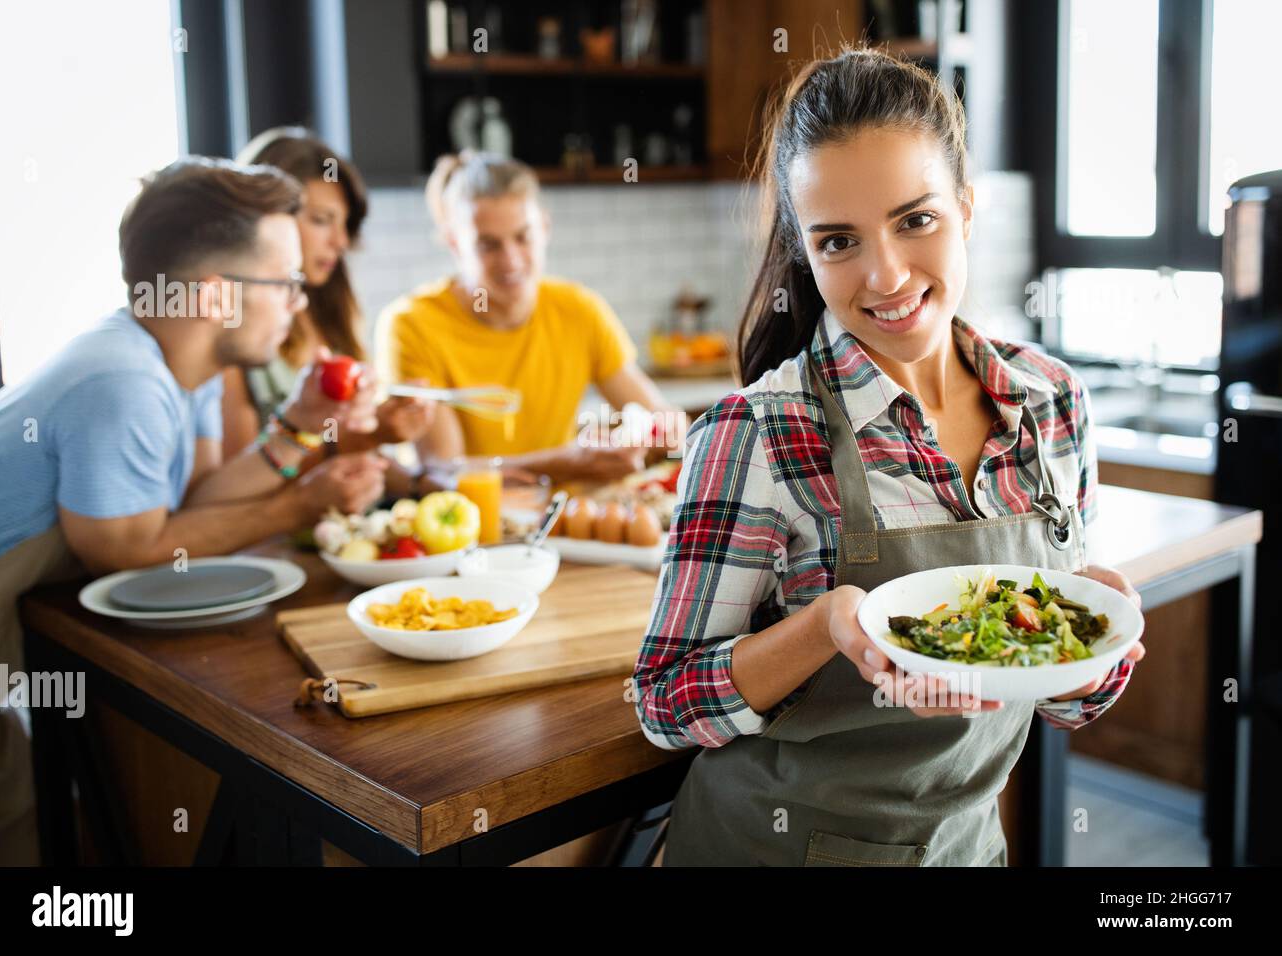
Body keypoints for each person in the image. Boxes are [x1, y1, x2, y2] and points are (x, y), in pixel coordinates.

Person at [633, 47, 1146, 867]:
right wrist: (827, 626)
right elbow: (662, 704)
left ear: (967, 210)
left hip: (962, 850)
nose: (886, 273)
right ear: (805, 251)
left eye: (917, 220)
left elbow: (1061, 692)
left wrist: (1093, 654)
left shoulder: (1051, 403)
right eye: (839, 241)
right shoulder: (756, 434)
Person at [0, 156, 388, 864]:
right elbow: (126, 546)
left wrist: (300, 424)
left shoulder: (182, 365)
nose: (300, 300)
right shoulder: (123, 380)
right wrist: (301, 499)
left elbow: (197, 501)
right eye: (285, 283)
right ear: (213, 297)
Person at [376, 151, 688, 483]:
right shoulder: (411, 325)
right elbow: (444, 471)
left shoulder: (578, 309)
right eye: (488, 245)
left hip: (563, 521)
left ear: (544, 228)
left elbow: (669, 425)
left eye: (523, 237)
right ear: (455, 244)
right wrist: (565, 463)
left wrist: (643, 434)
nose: (510, 260)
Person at [222, 128, 434, 498]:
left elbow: (362, 460)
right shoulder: (235, 335)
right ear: (269, 220)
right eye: (321, 220)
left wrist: (424, 485)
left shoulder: (329, 315)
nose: (340, 241)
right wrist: (365, 437)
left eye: (343, 223)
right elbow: (239, 488)